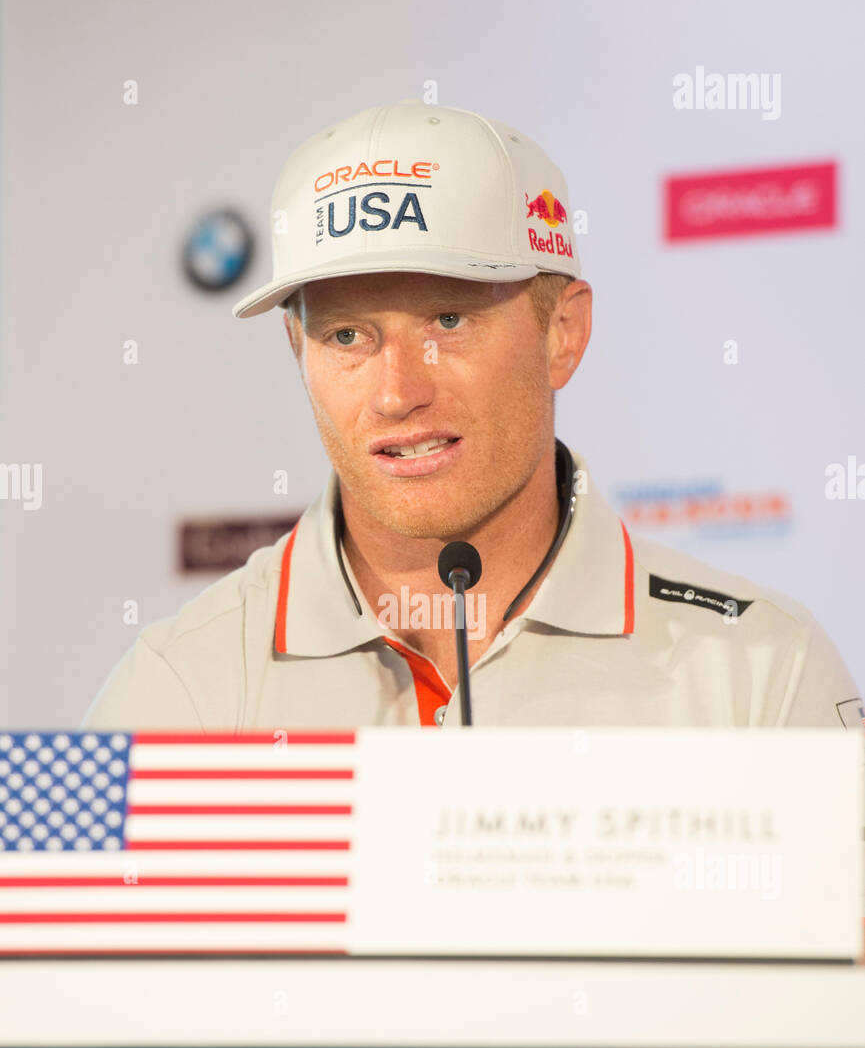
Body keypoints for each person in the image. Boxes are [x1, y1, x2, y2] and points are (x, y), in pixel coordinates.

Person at [81, 100, 862, 732]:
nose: (396, 393)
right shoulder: (175, 692)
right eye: (346, 335)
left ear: (562, 333)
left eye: (448, 322)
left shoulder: (760, 674)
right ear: (298, 351)